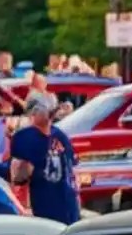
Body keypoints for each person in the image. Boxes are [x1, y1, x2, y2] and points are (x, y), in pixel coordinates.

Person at [9, 92, 80, 224]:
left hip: (42, 214)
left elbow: (19, 177)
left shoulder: (24, 137)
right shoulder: (61, 136)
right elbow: (74, 175)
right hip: (69, 210)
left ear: (33, 113)